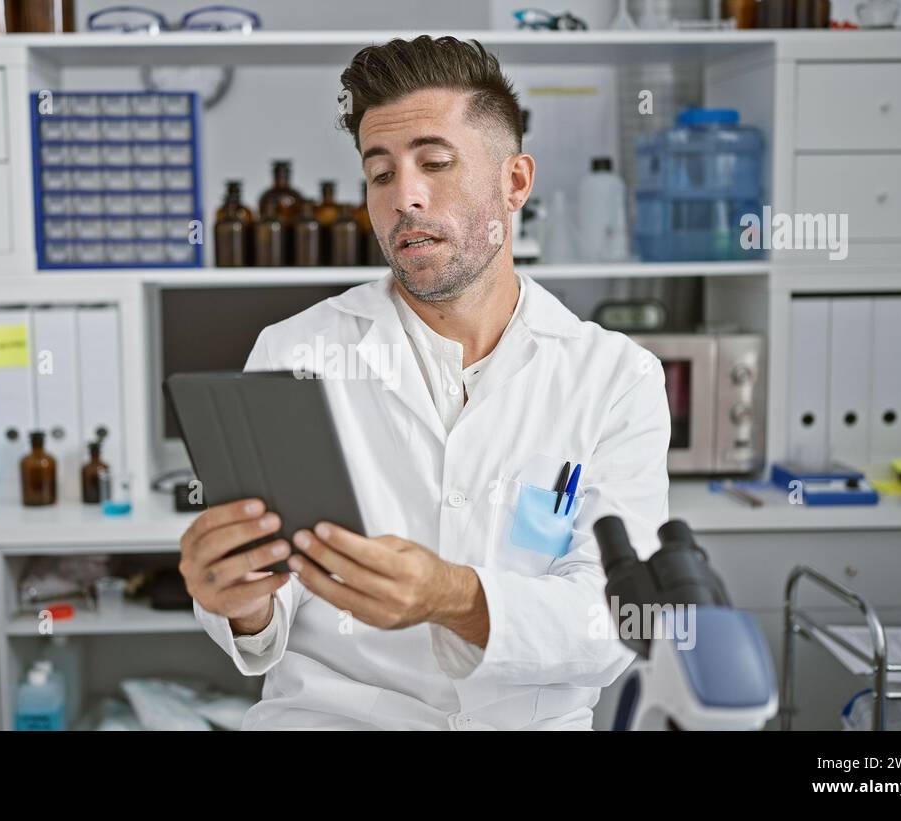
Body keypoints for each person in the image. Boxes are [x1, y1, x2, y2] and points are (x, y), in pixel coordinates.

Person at [179, 35, 670, 730]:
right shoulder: (298, 352)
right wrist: (240, 597)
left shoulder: (616, 377)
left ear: (515, 182)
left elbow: (621, 619)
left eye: (435, 163)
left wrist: (455, 597)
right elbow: (266, 601)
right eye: (380, 175)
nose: (404, 196)